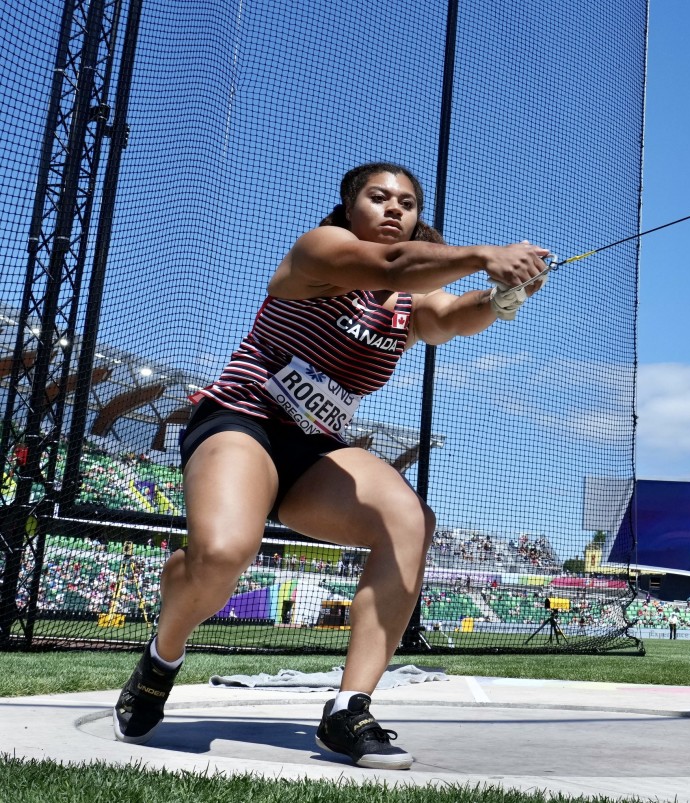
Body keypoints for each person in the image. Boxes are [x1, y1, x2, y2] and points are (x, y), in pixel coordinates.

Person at [111, 162, 550, 769]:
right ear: (349, 209)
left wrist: (504, 296)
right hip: (243, 422)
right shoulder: (319, 251)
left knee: (408, 518)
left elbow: (449, 318)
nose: (395, 208)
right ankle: (162, 657)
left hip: (314, 449)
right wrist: (485, 255)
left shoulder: (405, 298)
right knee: (221, 556)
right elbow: (389, 263)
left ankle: (348, 709)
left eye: (408, 202)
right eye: (380, 197)